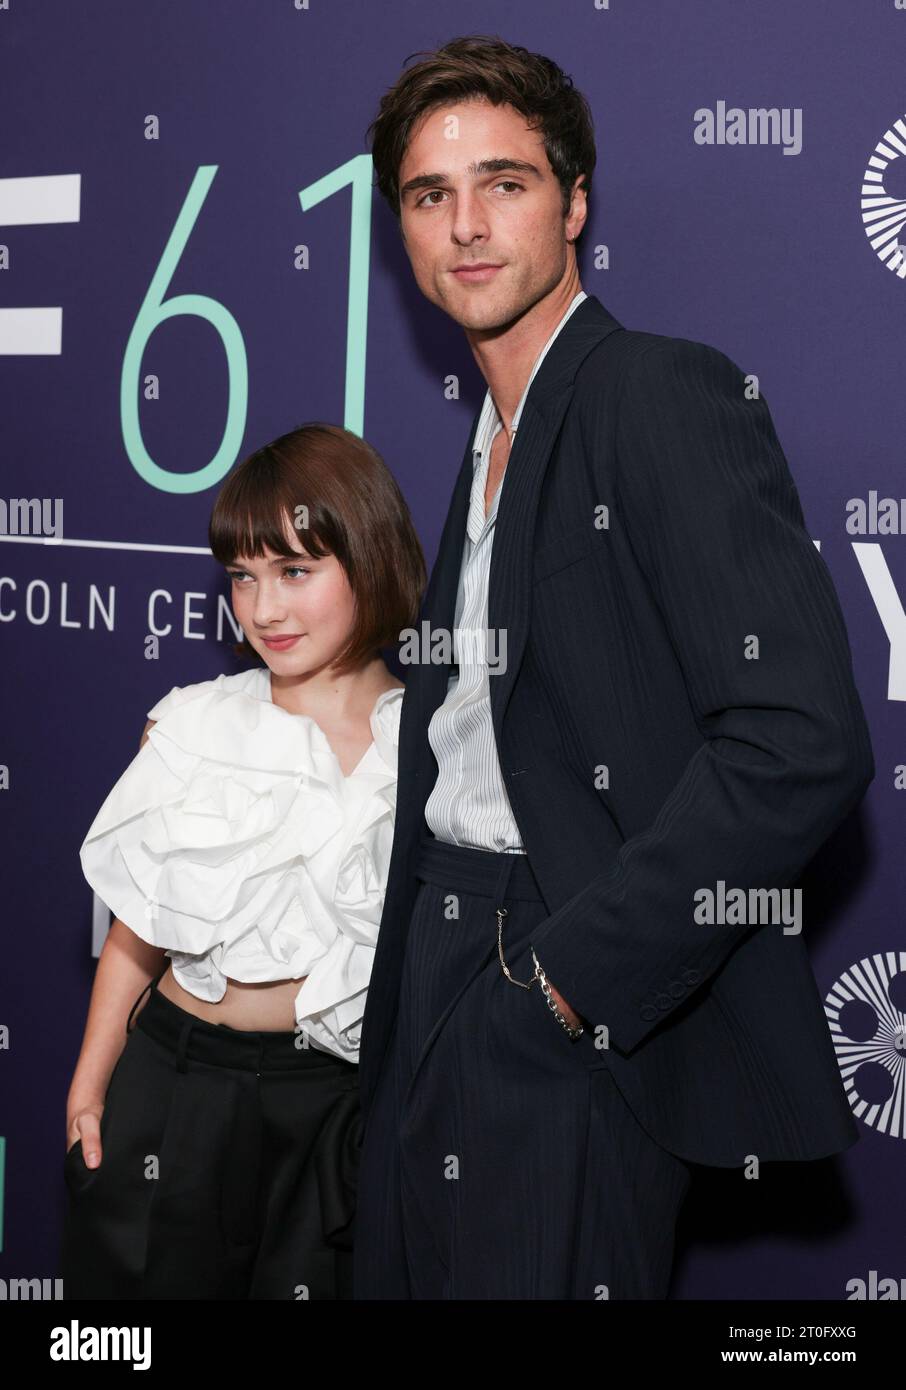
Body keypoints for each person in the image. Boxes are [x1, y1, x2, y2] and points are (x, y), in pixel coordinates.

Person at [353, 35, 875, 1300]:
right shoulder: (488, 437)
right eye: (430, 196)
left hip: (557, 980)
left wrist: (566, 987)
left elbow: (800, 742)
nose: (467, 226)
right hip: (432, 964)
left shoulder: (654, 393)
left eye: (506, 183)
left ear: (575, 201)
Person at [61, 423, 425, 1299]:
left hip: (337, 1103)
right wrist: (89, 1084)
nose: (264, 609)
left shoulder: (432, 747)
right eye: (243, 577)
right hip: (179, 1084)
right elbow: (137, 929)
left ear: (369, 558)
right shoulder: (194, 723)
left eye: (295, 571)